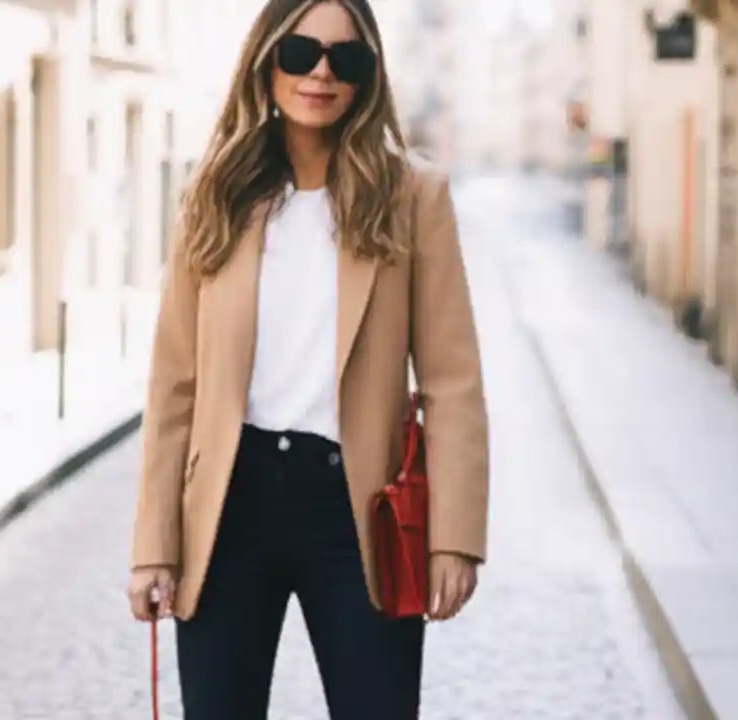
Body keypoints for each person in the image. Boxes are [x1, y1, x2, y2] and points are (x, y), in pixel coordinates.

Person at [126, 0, 488, 716]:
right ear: (266, 61)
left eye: (344, 58)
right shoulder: (218, 194)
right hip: (229, 505)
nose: (320, 72)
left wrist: (456, 539)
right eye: (300, 53)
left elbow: (453, 382)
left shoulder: (414, 197)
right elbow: (175, 386)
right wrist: (153, 544)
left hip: (359, 509)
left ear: (366, 77)